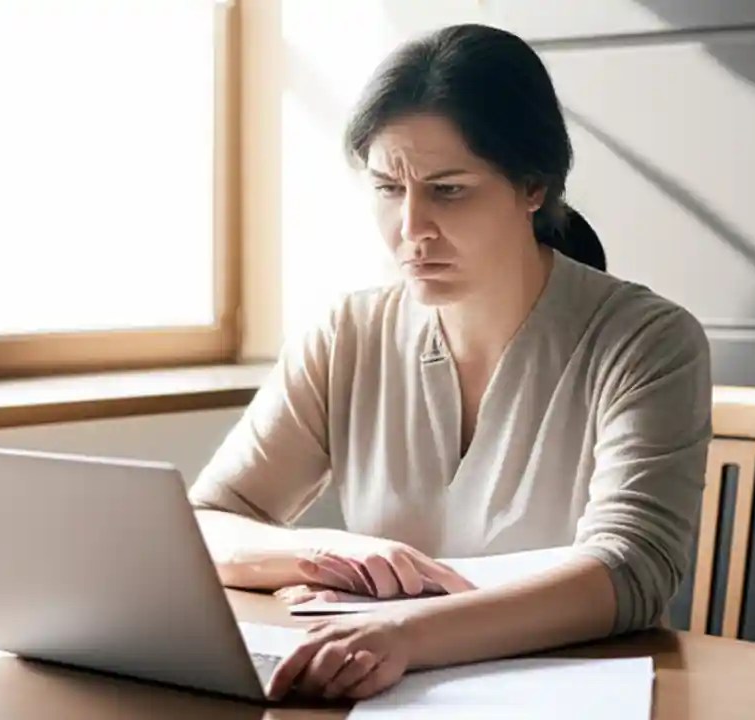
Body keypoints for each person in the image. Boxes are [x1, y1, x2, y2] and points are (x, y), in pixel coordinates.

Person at [189, 23, 711, 701]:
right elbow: (206, 520)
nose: (411, 229)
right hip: (391, 691)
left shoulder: (648, 342)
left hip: (568, 693)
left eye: (449, 190)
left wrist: (407, 633)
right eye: (387, 188)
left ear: (533, 187)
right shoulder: (347, 333)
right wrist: (330, 552)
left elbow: (628, 571)